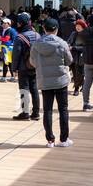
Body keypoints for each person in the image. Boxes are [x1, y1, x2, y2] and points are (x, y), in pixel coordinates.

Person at [33, 16, 74, 148]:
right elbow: (69, 60)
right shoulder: (62, 43)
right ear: (56, 29)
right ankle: (64, 139)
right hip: (60, 80)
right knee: (63, 109)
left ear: (43, 28)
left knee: (47, 110)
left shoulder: (37, 44)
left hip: (44, 80)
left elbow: (32, 61)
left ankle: (50, 140)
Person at [11, 13, 39, 121]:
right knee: (34, 89)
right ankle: (36, 113)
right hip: (35, 66)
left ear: (20, 23)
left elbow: (16, 55)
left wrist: (14, 69)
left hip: (23, 67)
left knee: (24, 90)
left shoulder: (20, 37)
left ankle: (25, 112)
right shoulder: (37, 35)